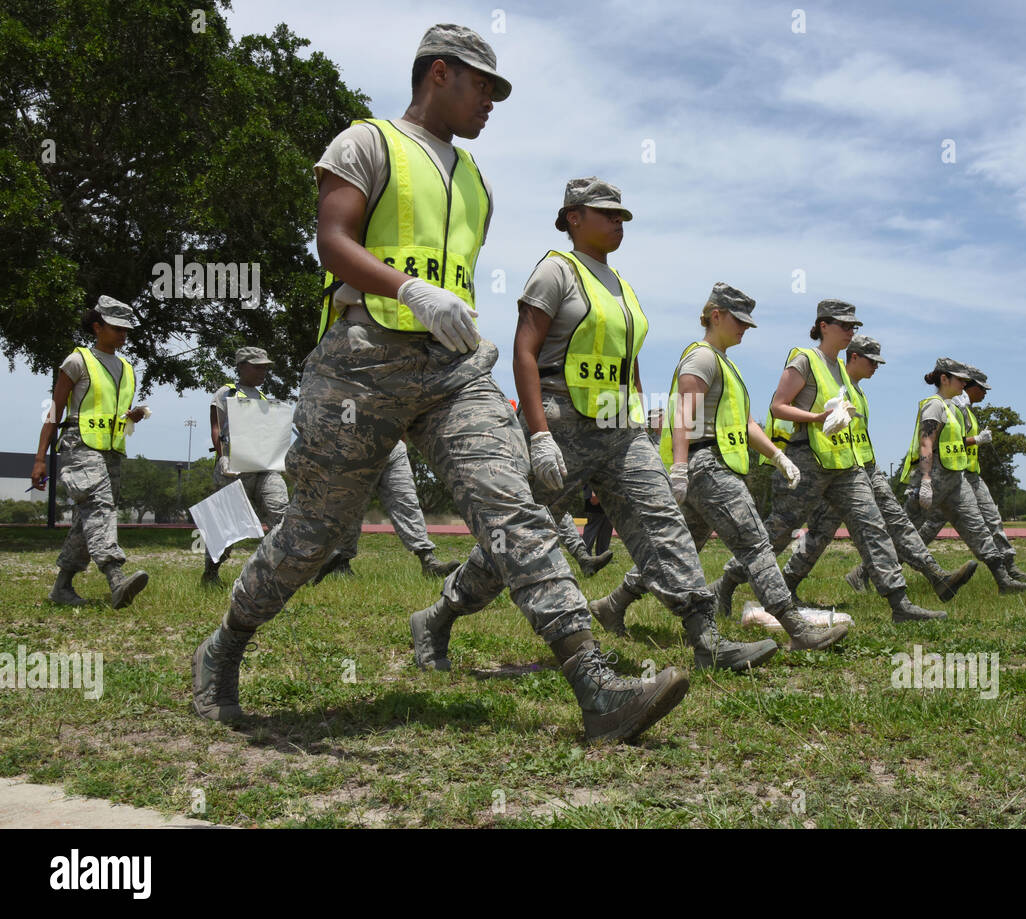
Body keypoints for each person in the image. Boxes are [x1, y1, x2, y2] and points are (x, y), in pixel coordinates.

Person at [192, 24, 688, 745]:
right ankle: (226, 643)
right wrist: (411, 292)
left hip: (451, 371)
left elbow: (453, 279)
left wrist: (457, 325)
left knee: (515, 505)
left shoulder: (475, 182)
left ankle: (596, 687)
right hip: (361, 359)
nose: (491, 102)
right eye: (483, 86)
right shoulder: (366, 143)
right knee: (314, 531)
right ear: (439, 74)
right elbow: (333, 241)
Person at [412, 178, 779, 674]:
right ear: (572, 217)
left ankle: (706, 639)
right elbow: (525, 351)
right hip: (562, 423)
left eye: (622, 216)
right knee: (515, 539)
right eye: (606, 213)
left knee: (662, 525)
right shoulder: (555, 272)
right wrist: (538, 435)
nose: (617, 222)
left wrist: (641, 415)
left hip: (620, 429)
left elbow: (628, 362)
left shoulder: (622, 287)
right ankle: (439, 616)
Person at [588, 283, 848, 651]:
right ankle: (797, 629)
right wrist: (678, 467)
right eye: (738, 319)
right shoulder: (703, 358)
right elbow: (683, 414)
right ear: (715, 316)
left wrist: (778, 456)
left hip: (704, 468)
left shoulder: (724, 364)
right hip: (707, 467)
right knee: (755, 543)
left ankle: (612, 605)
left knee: (677, 551)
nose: (745, 327)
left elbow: (745, 423)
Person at [713, 300, 946, 622]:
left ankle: (899, 603)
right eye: (845, 326)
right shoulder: (805, 360)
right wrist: (817, 416)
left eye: (855, 327)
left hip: (845, 465)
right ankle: (726, 583)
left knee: (872, 527)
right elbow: (777, 407)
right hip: (807, 460)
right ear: (824, 325)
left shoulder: (841, 370)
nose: (851, 332)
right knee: (778, 534)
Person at [782, 334, 980, 601]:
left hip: (865, 469)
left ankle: (936, 577)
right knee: (819, 534)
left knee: (897, 522)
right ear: (854, 357)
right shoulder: (835, 385)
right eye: (872, 361)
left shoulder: (857, 390)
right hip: (837, 470)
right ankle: (780, 583)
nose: (876, 367)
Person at [31, 296, 150, 609]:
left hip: (111, 451)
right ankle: (116, 578)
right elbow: (55, 411)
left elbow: (112, 410)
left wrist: (131, 415)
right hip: (78, 447)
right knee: (100, 509)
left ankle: (62, 588)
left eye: (127, 329)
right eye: (117, 328)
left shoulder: (126, 367)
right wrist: (40, 458)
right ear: (98, 327)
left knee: (87, 521)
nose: (124, 334)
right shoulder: (77, 361)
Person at [900, 358, 1026, 594]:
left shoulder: (953, 408)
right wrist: (924, 481)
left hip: (955, 479)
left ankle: (1004, 581)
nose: (964, 384)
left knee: (978, 529)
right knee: (905, 531)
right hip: (933, 479)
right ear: (944, 379)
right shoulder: (934, 406)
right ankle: (868, 572)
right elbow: (926, 443)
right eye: (960, 379)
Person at [202, 346, 291, 585]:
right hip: (234, 467)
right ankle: (210, 573)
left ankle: (276, 571)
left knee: (281, 510)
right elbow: (216, 427)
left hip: (265, 467)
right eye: (257, 366)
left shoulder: (264, 399)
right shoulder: (226, 393)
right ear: (241, 366)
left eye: (265, 367)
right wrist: (222, 456)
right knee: (226, 525)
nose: (263, 371)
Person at [312, 440, 461, 581]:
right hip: (355, 454)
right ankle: (341, 565)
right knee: (352, 510)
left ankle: (428, 560)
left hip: (393, 450)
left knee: (407, 502)